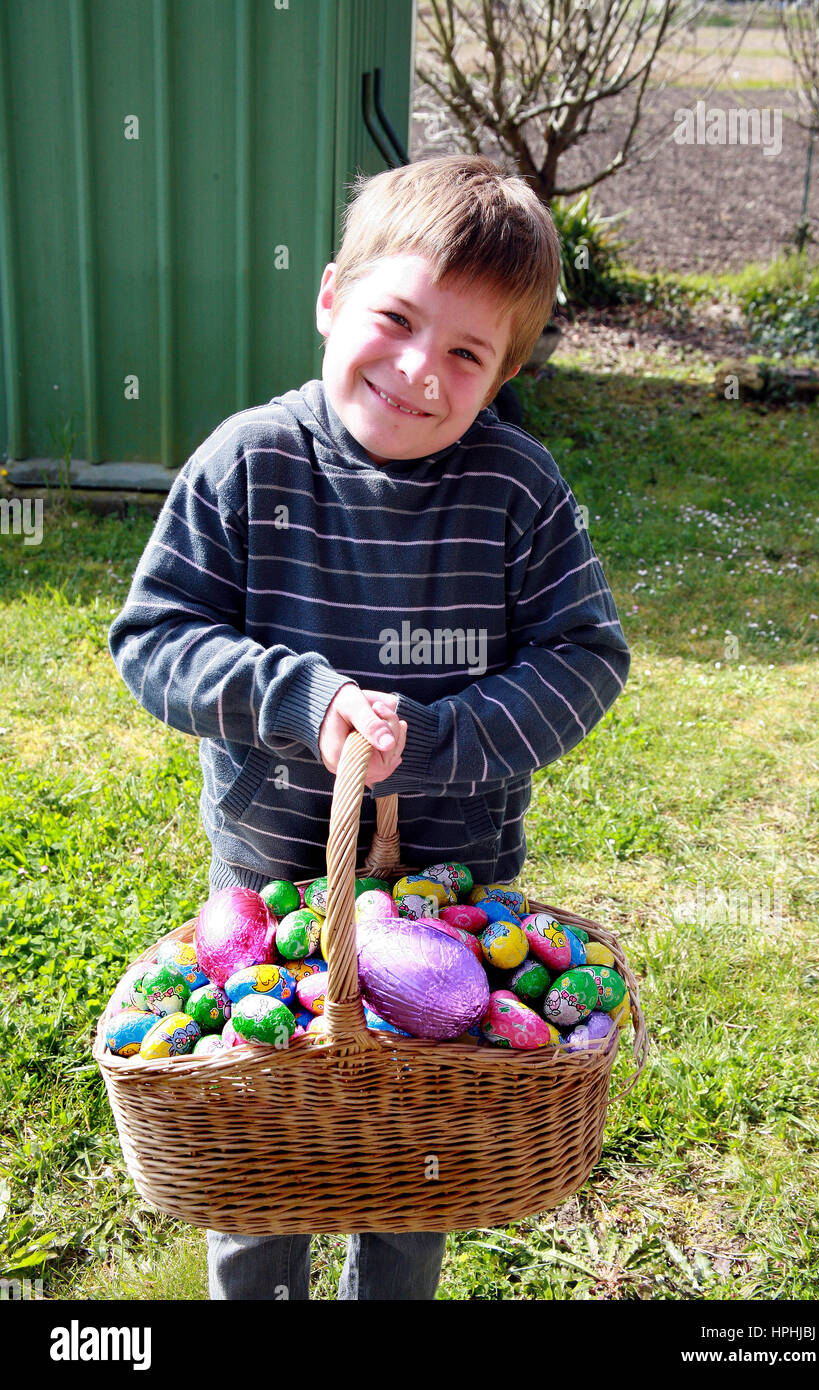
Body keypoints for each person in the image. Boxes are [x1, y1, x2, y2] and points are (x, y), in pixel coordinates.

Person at [107, 154, 631, 1300]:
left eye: (464, 352)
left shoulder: (516, 490)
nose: (416, 370)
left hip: (453, 886)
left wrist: (436, 739)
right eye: (394, 319)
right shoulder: (248, 464)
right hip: (277, 876)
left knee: (413, 1136)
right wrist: (303, 700)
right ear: (331, 294)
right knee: (263, 1130)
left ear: (500, 375)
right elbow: (153, 638)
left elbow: (584, 657)